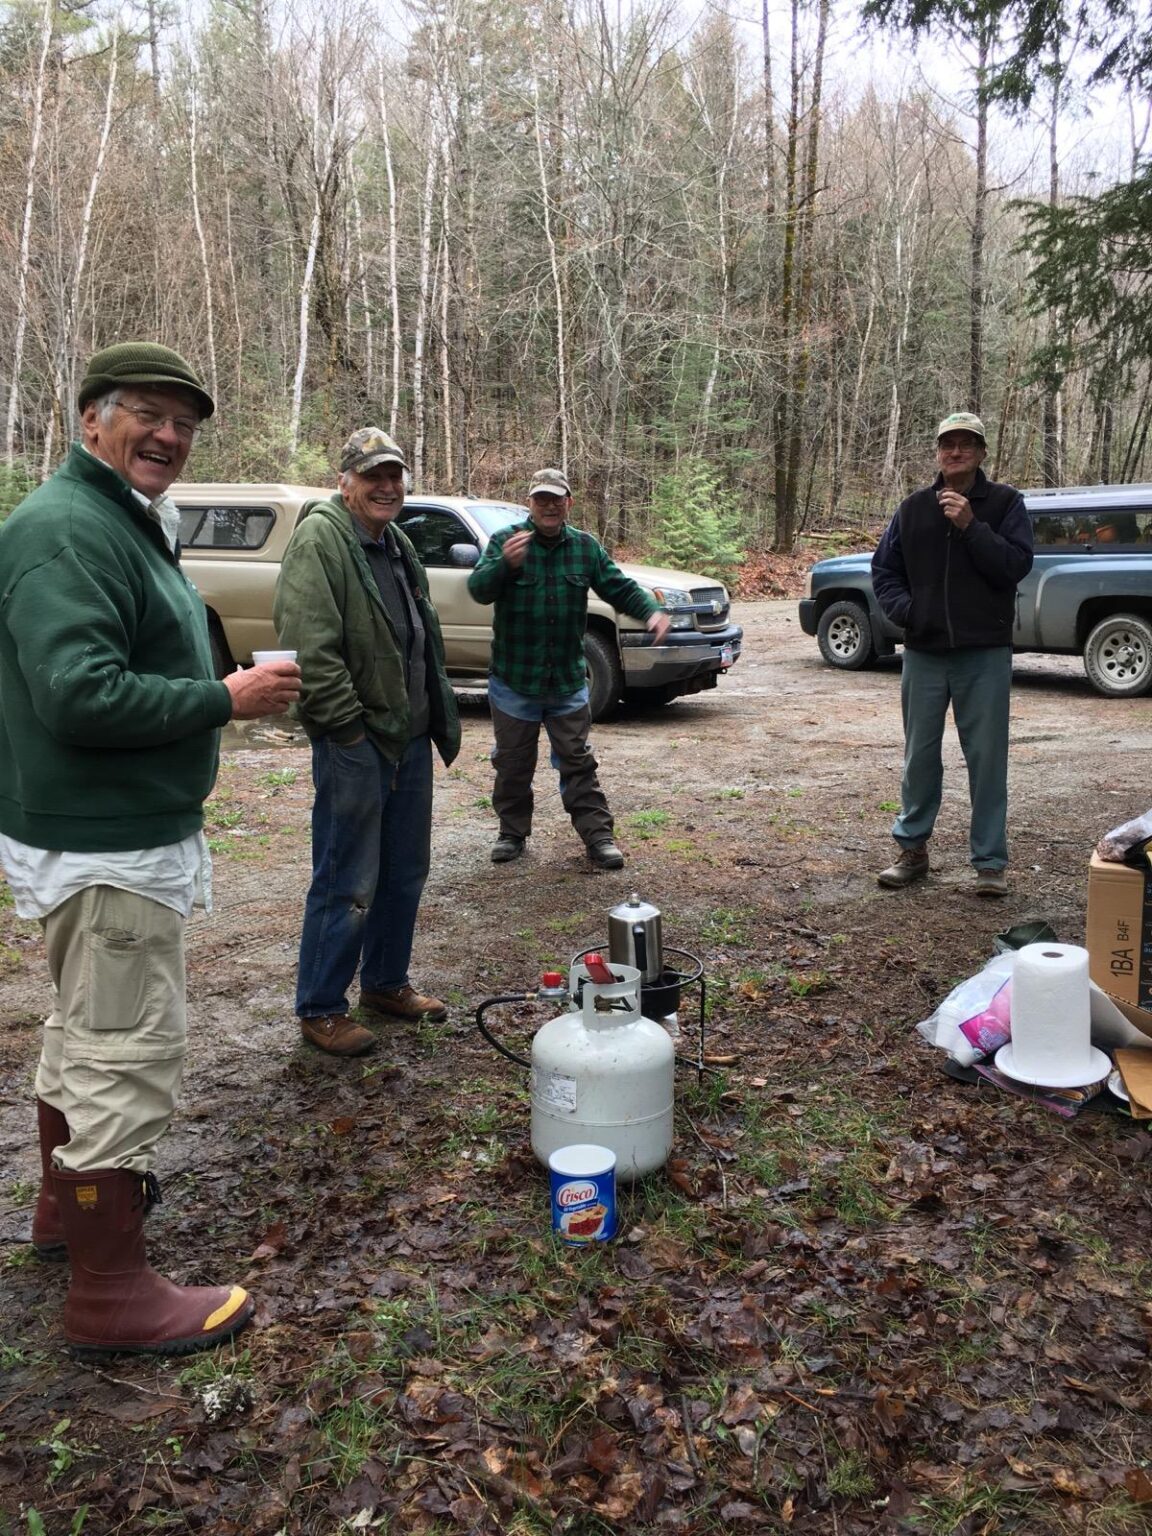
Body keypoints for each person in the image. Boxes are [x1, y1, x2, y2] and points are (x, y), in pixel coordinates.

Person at [0, 342, 302, 1356]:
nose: (169, 434)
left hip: (106, 837)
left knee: (85, 1036)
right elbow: (78, 694)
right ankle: (111, 1294)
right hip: (107, 843)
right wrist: (225, 698)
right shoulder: (67, 531)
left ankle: (62, 1216)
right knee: (123, 1055)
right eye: (146, 412)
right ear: (90, 419)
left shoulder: (119, 522)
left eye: (184, 421)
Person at [273, 428, 461, 1058]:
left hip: (406, 738)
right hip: (356, 740)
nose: (387, 487)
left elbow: (418, 638)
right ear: (345, 481)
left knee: (405, 870)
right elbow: (309, 648)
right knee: (348, 875)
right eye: (373, 476)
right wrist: (347, 728)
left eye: (395, 477)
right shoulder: (321, 539)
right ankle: (321, 1006)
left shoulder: (395, 542)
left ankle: (385, 983)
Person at [467, 468, 670, 869]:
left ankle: (598, 838)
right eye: (541, 498)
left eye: (556, 499)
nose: (549, 505)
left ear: (568, 503)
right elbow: (478, 589)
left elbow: (618, 586)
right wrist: (504, 566)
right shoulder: (506, 542)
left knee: (578, 761)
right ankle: (512, 833)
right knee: (512, 763)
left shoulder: (584, 548)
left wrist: (650, 611)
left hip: (566, 681)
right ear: (530, 503)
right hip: (515, 680)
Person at [871, 412, 1034, 897]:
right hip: (924, 651)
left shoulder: (1005, 503)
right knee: (919, 756)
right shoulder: (912, 508)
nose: (956, 452)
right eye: (949, 444)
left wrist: (970, 525)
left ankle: (989, 863)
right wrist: (909, 611)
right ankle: (912, 850)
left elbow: (1015, 566)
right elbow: (885, 571)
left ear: (982, 452)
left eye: (967, 444)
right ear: (938, 452)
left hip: (983, 651)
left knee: (987, 759)